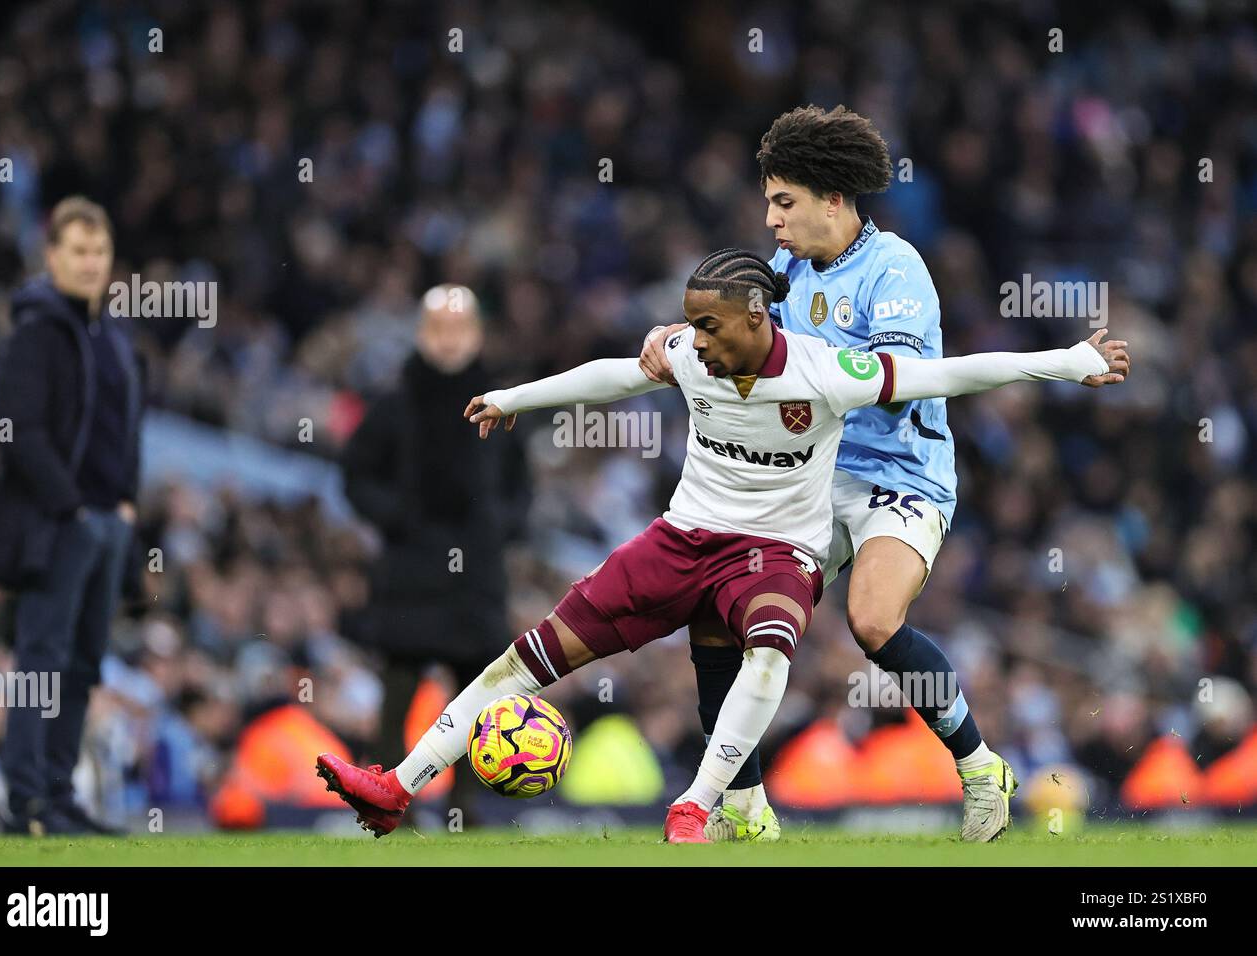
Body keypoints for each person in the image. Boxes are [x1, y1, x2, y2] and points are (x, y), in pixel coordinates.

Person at [316, 248, 1128, 842]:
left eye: (707, 326)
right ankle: (396, 784)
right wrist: (512, 399)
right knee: (526, 659)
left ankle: (695, 808)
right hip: (680, 539)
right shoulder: (692, 351)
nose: (692, 341)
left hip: (775, 555)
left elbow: (954, 374)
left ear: (755, 318)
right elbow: (611, 374)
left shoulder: (828, 371)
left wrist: (1072, 361)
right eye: (691, 325)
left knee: (769, 654)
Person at [639, 106, 1130, 842]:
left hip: (901, 473)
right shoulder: (786, 270)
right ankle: (741, 805)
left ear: (831, 200)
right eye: (769, 202)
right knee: (716, 618)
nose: (770, 219)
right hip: (816, 478)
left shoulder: (895, 267)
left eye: (784, 202)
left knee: (871, 618)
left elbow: (894, 381)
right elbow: (735, 332)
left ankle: (978, 769)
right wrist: (678, 334)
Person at [0, 196, 143, 835]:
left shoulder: (114, 340)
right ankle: (27, 803)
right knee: (40, 662)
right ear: (52, 256)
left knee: (81, 664)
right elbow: (17, 432)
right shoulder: (34, 333)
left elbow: (126, 433)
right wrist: (71, 507)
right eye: (77, 250)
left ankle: (59, 792)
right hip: (58, 523)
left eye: (99, 250)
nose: (89, 262)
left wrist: (126, 506)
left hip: (106, 522)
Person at [339, 284, 528, 800]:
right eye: (438, 328)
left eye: (459, 327)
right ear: (422, 333)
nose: (448, 340)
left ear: (477, 334)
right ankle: (388, 802)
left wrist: (497, 526)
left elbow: (521, 487)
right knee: (398, 691)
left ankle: (467, 807)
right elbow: (355, 475)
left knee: (480, 695)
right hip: (410, 570)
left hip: (477, 576)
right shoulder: (393, 404)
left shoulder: (503, 404)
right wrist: (394, 518)